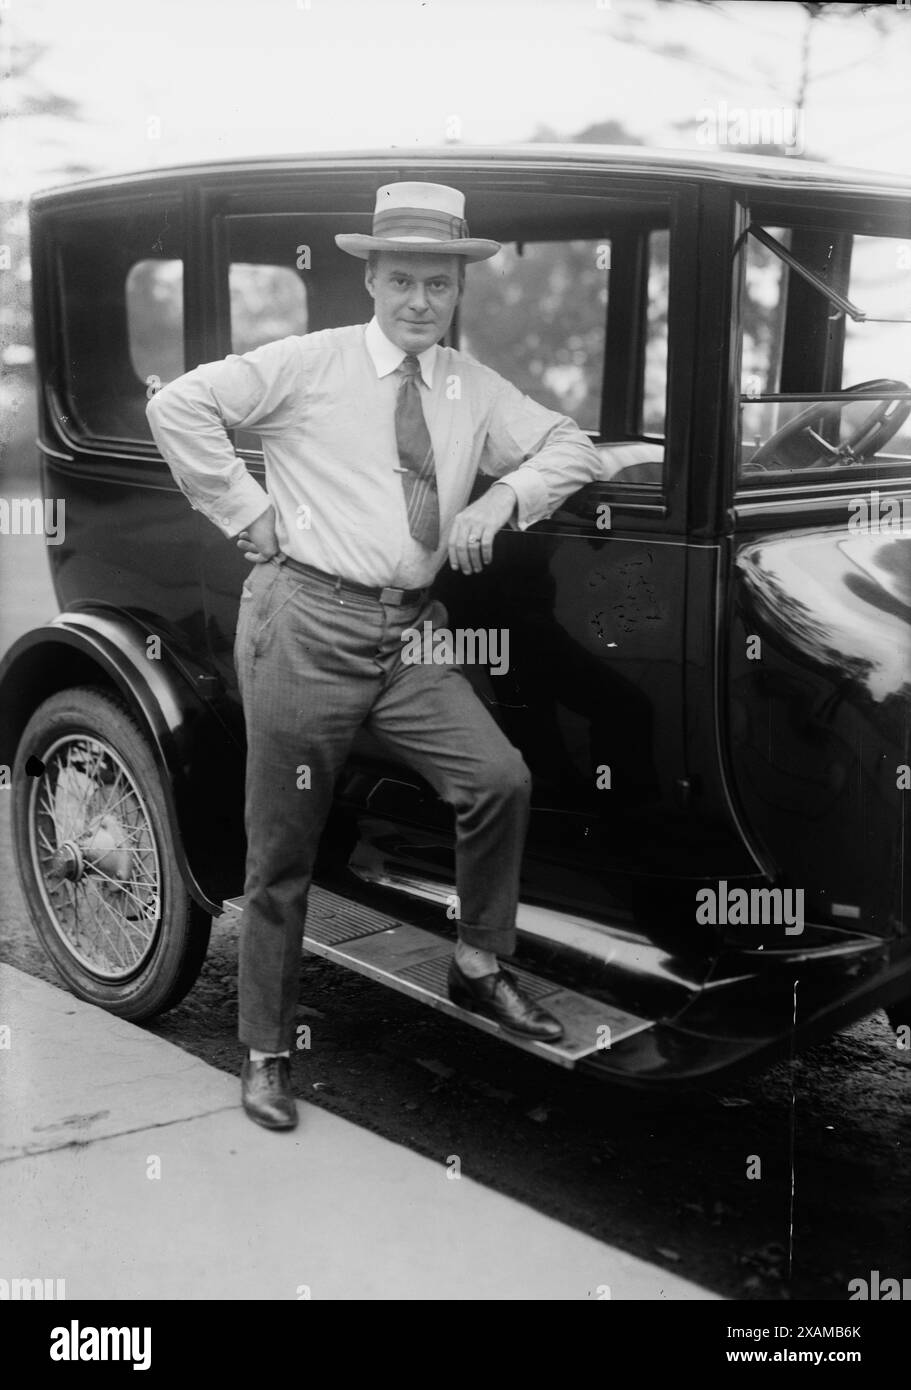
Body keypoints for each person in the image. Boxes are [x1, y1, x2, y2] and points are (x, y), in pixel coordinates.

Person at [147, 181, 606, 1130]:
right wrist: (248, 512)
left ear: (455, 288)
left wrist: (501, 498)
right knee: (282, 852)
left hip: (408, 634)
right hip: (302, 624)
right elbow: (182, 406)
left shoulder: (468, 387)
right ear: (369, 277)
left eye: (437, 285)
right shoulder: (307, 364)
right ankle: (268, 1052)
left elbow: (572, 446)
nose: (418, 303)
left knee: (498, 779)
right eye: (401, 281)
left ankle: (478, 965)